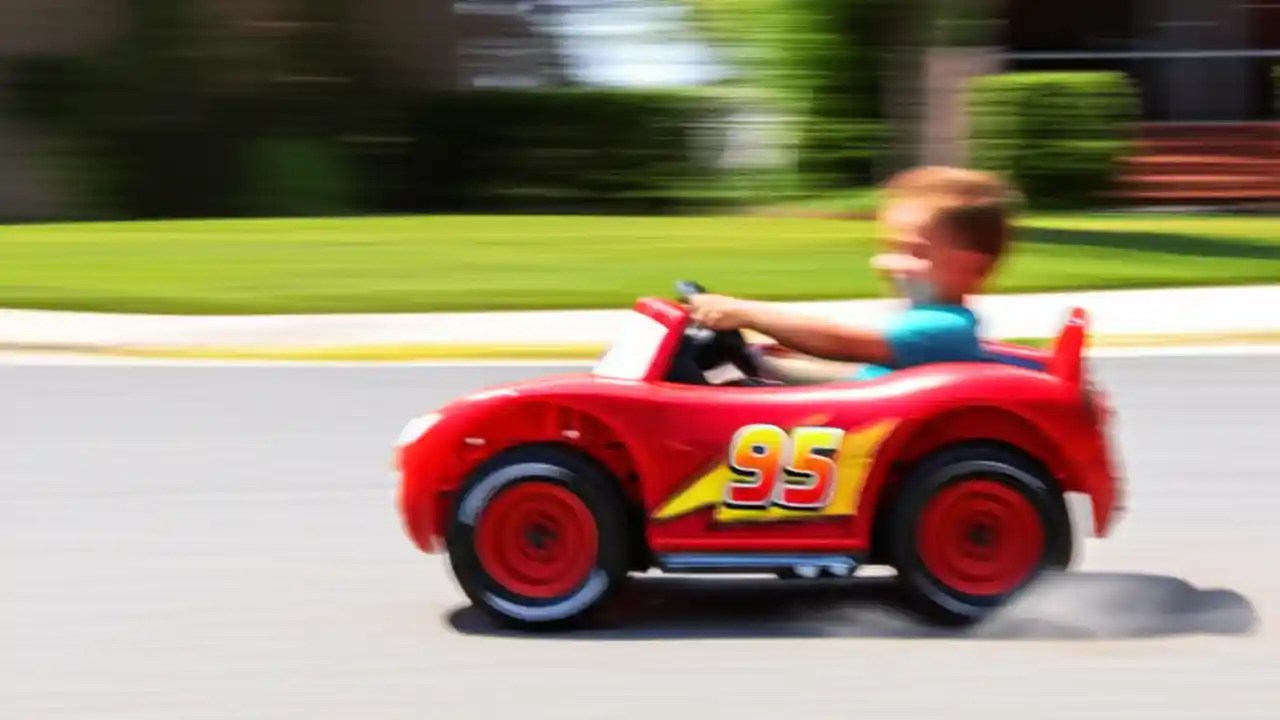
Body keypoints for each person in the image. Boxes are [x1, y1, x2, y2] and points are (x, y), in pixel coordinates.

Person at [687, 166, 1019, 382]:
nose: (885, 264)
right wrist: (763, 351)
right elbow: (849, 363)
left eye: (912, 252)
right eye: (890, 248)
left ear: (971, 266)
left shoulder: (942, 327)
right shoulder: (927, 321)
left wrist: (745, 312)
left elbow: (840, 342)